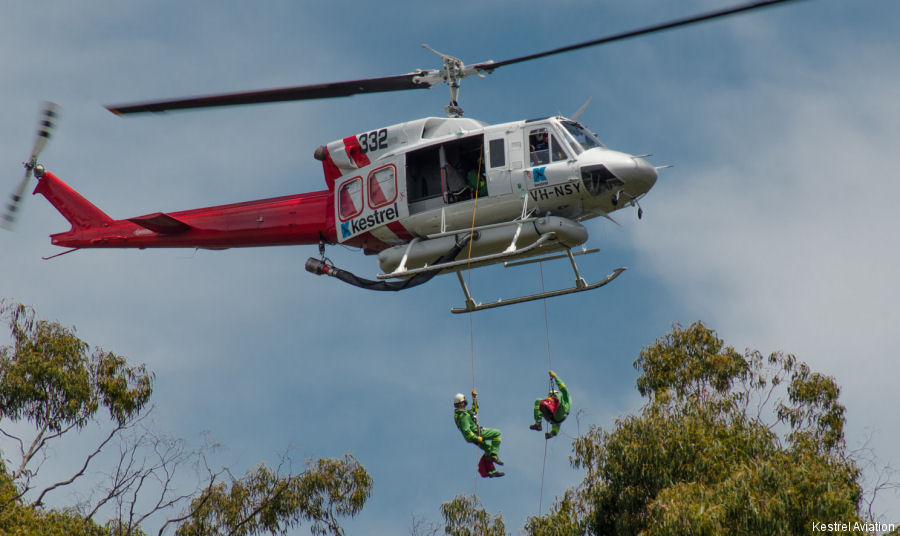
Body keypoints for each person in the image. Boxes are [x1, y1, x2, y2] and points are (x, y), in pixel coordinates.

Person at [453, 390, 504, 477]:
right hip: (476, 434)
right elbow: (466, 431)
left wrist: (474, 398)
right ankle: (494, 455)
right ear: (458, 405)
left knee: (488, 447)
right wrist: (476, 438)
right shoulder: (463, 416)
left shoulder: (465, 413)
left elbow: (474, 410)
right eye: (461, 404)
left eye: (463, 403)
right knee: (497, 433)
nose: (463, 405)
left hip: (475, 435)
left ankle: (491, 471)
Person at [529, 370, 571, 439]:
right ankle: (538, 423)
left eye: (552, 395)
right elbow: (557, 425)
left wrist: (555, 377)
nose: (551, 397)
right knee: (539, 402)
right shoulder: (555, 413)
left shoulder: (564, 400)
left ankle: (538, 422)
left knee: (540, 401)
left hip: (559, 414)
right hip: (553, 417)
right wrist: (551, 434)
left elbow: (564, 389)